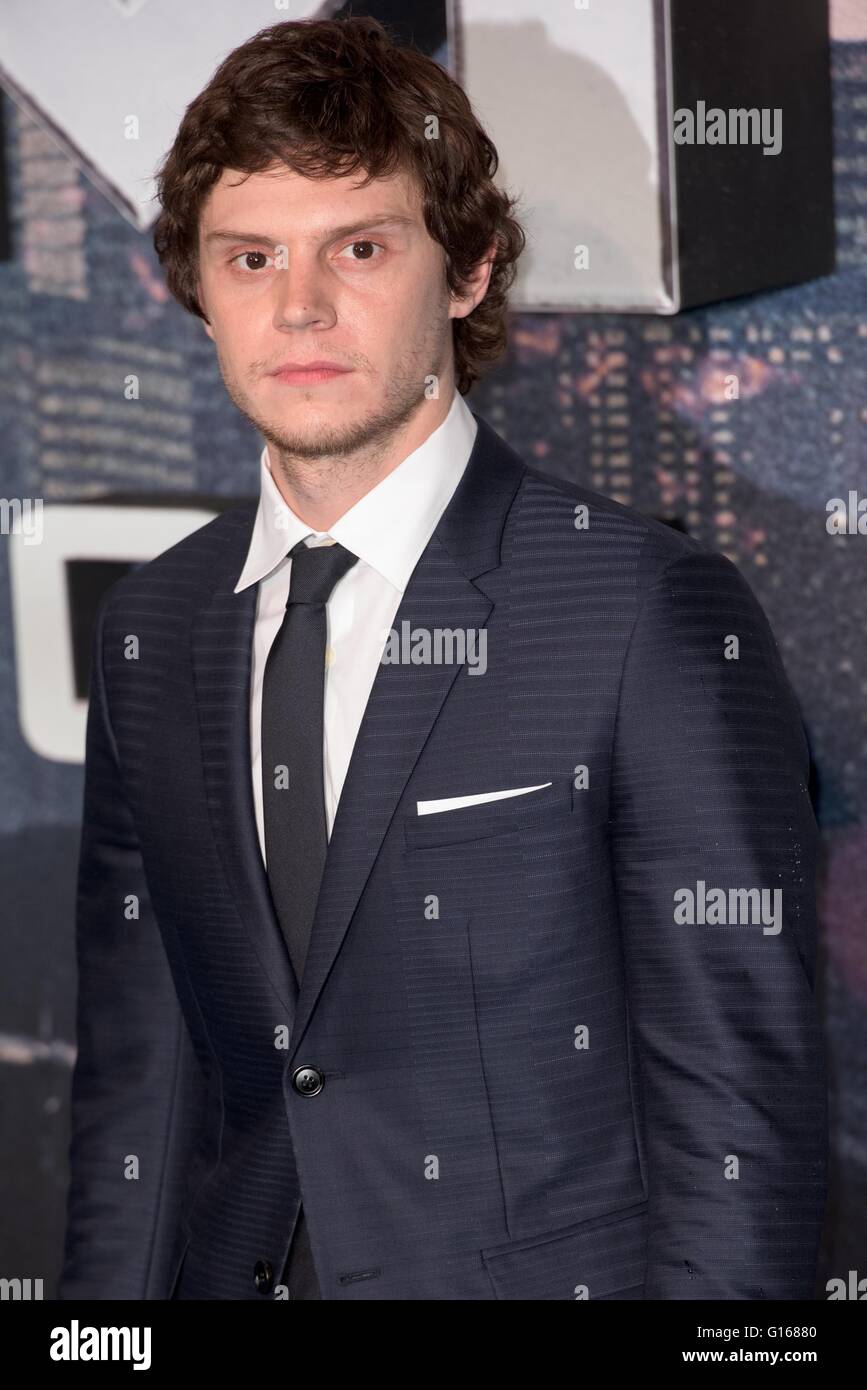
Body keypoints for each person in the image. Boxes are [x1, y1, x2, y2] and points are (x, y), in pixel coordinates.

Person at [58, 15, 827, 1301]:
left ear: (467, 269)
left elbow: (738, 1118)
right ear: (194, 286)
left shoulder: (643, 610)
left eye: (360, 247)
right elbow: (137, 1090)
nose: (298, 305)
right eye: (250, 257)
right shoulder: (157, 627)